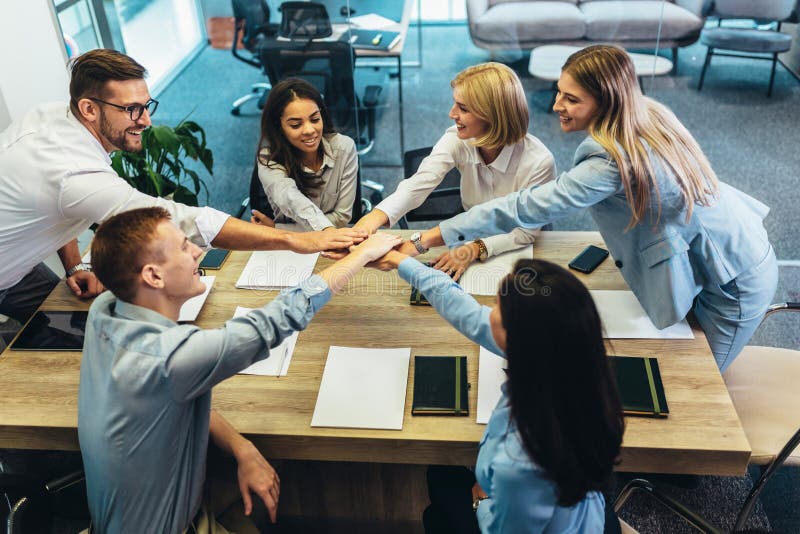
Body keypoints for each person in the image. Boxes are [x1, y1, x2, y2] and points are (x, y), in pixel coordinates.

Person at [405, 45, 777, 371]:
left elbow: (525, 207)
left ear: (606, 101)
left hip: (732, 282)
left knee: (696, 381)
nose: (556, 105)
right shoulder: (643, 112)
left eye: (571, 99)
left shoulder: (610, 162)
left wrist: (427, 239)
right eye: (559, 92)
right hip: (719, 248)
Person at [78, 206, 400, 533]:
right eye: (184, 247)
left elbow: (170, 392)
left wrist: (241, 446)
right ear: (153, 276)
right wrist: (363, 254)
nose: (198, 251)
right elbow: (278, 318)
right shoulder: (171, 357)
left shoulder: (105, 310)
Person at [0, 49, 364, 327]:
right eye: (132, 110)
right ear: (89, 109)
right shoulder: (72, 171)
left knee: (56, 328)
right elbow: (175, 219)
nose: (146, 120)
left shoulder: (57, 116)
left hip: (20, 265)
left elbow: (60, 202)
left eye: (146, 106)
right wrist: (294, 240)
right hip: (6, 267)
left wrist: (73, 264)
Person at [377, 250, 624, 533]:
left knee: (440, 478)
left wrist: (482, 499)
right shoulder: (570, 361)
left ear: (518, 337)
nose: (487, 311)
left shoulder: (517, 462)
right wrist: (400, 261)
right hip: (586, 517)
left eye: (496, 305)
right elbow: (466, 312)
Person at [353, 62, 555, 280]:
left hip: (521, 245)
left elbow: (525, 232)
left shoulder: (539, 163)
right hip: (473, 232)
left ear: (493, 115)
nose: (451, 113)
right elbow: (419, 183)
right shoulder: (458, 138)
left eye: (463, 108)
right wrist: (373, 219)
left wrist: (474, 249)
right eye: (455, 103)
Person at [254, 78, 358, 231]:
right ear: (279, 126)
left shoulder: (344, 148)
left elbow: (342, 217)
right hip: (291, 245)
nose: (309, 130)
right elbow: (291, 200)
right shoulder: (268, 159)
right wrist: (326, 230)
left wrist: (279, 229)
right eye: (296, 125)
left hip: (313, 239)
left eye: (315, 119)